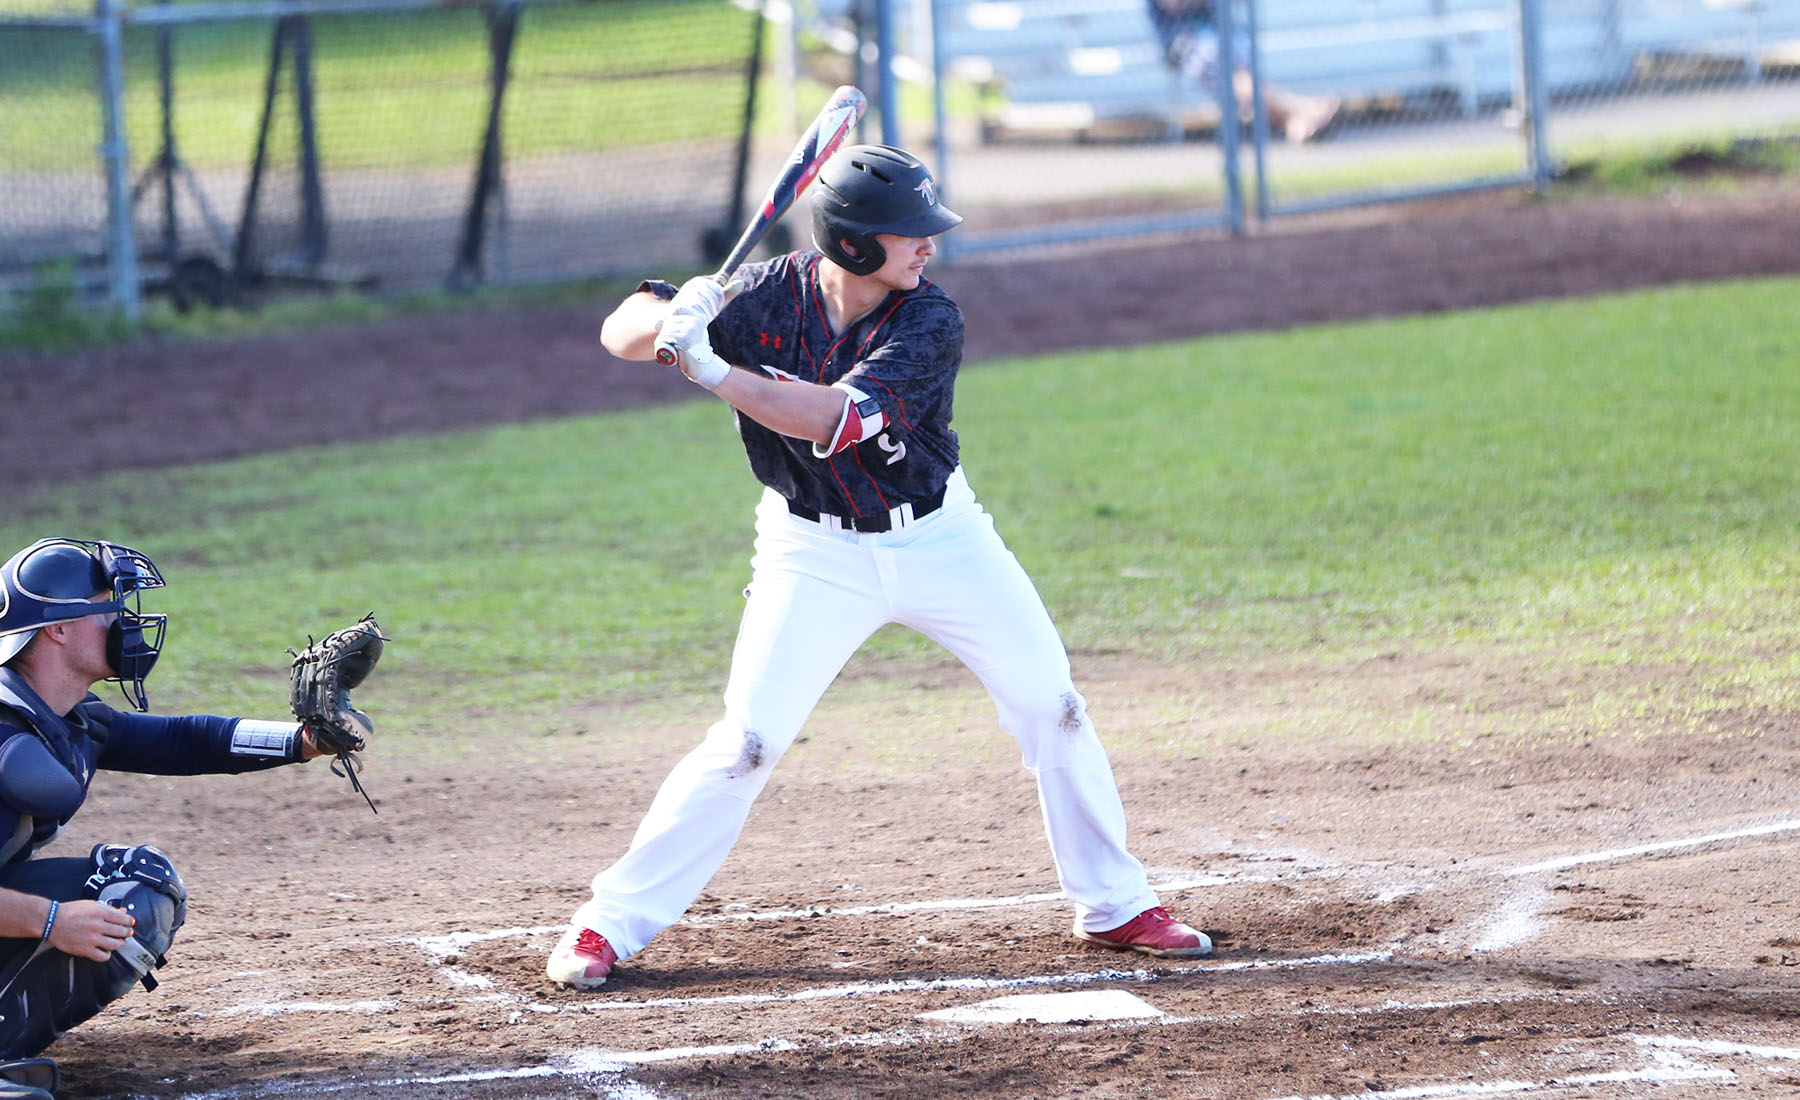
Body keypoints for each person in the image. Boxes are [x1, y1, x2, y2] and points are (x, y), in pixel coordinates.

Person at [545, 145, 1211, 992]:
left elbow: (831, 419)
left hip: (942, 540)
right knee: (746, 744)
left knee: (1055, 706)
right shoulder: (760, 297)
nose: (929, 245)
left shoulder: (930, 320)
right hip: (811, 550)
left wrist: (706, 365)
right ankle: (608, 924)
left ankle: (1114, 904)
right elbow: (621, 333)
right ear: (854, 243)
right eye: (909, 232)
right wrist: (676, 315)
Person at [0, 538, 372, 1100]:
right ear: (57, 628)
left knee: (138, 888)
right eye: (108, 608)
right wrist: (52, 919)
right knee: (123, 894)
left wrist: (306, 740)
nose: (125, 623)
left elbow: (184, 740)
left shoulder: (65, 717)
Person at [1147, 0, 1341, 144]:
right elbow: (1172, 3)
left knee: (1246, 76)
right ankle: (1300, 109)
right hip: (1188, 41)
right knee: (1238, 79)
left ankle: (1296, 123)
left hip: (1221, 31)